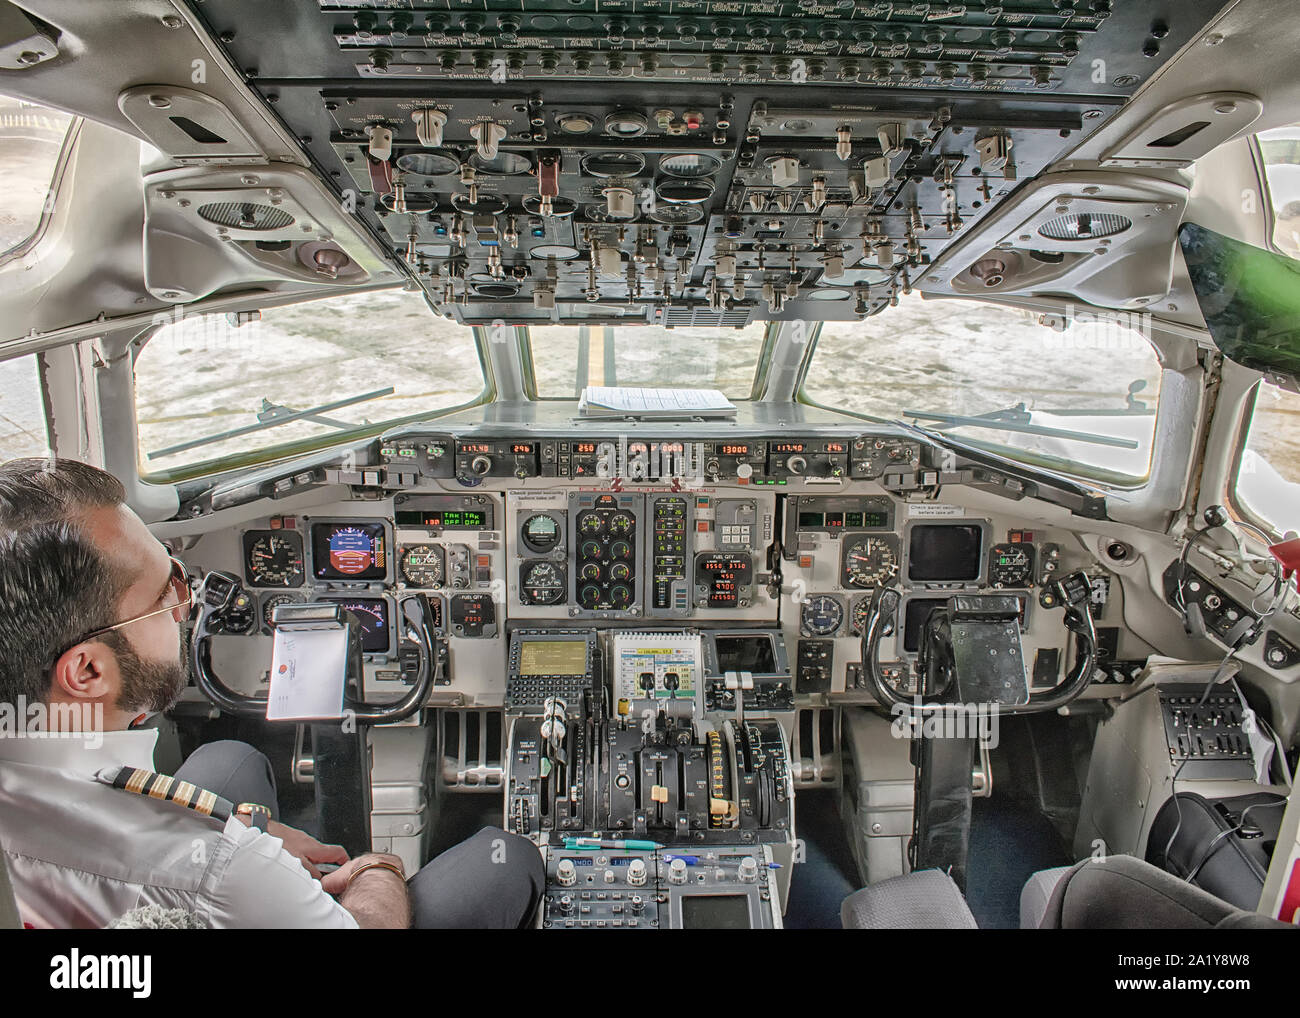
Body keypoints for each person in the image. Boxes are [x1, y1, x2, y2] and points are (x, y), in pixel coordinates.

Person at [0, 457, 543, 929]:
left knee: (225, 758)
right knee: (507, 857)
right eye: (167, 591)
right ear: (87, 671)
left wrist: (250, 831)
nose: (188, 603)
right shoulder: (221, 873)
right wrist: (377, 868)